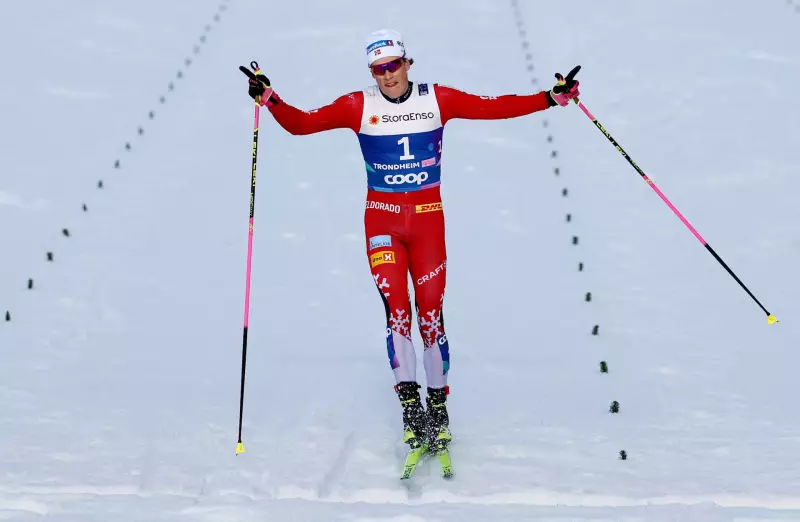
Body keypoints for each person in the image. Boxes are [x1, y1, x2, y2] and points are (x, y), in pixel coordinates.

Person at [240, 29, 580, 454]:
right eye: (378, 69)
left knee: (431, 313)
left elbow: (494, 108)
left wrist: (551, 97)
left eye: (393, 65)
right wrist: (269, 98)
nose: (387, 76)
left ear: (407, 63)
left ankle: (438, 409)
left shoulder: (437, 99)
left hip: (427, 223)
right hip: (381, 223)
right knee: (397, 313)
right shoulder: (357, 105)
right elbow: (301, 124)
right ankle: (410, 410)